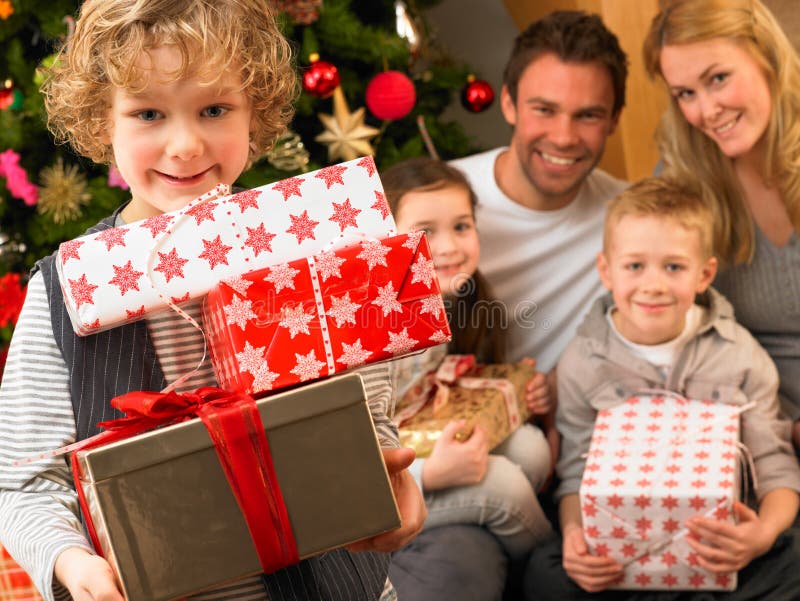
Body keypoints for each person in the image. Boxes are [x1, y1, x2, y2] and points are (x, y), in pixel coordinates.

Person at [0, 2, 425, 600]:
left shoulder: (312, 250)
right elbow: (25, 484)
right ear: (103, 122)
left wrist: (392, 487)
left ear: (257, 113)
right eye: (148, 112)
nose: (185, 144)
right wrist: (72, 564)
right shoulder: (63, 291)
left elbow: (372, 421)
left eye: (215, 109)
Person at [525, 177, 800, 600]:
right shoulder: (582, 361)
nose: (653, 285)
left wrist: (762, 533)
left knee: (792, 558)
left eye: (673, 267)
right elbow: (576, 473)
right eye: (635, 266)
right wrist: (577, 537)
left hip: (723, 541)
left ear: (705, 274)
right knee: (546, 576)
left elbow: (774, 462)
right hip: (622, 546)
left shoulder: (740, 355)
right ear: (607, 271)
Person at [642, 0, 800, 451]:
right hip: (751, 425)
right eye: (685, 94)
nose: (707, 111)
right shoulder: (680, 182)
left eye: (718, 79)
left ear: (765, 56)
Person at [381, 157, 555, 562]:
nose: (449, 247)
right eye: (425, 231)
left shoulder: (458, 301)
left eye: (461, 226)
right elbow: (347, 451)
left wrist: (512, 388)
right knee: (504, 484)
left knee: (533, 449)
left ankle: (500, 548)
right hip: (384, 480)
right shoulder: (376, 328)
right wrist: (430, 475)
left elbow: (444, 385)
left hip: (423, 433)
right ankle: (552, 572)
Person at [451, 9, 629, 382]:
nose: (564, 137)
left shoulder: (627, 220)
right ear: (509, 104)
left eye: (589, 116)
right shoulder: (441, 203)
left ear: (614, 119)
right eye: (544, 110)